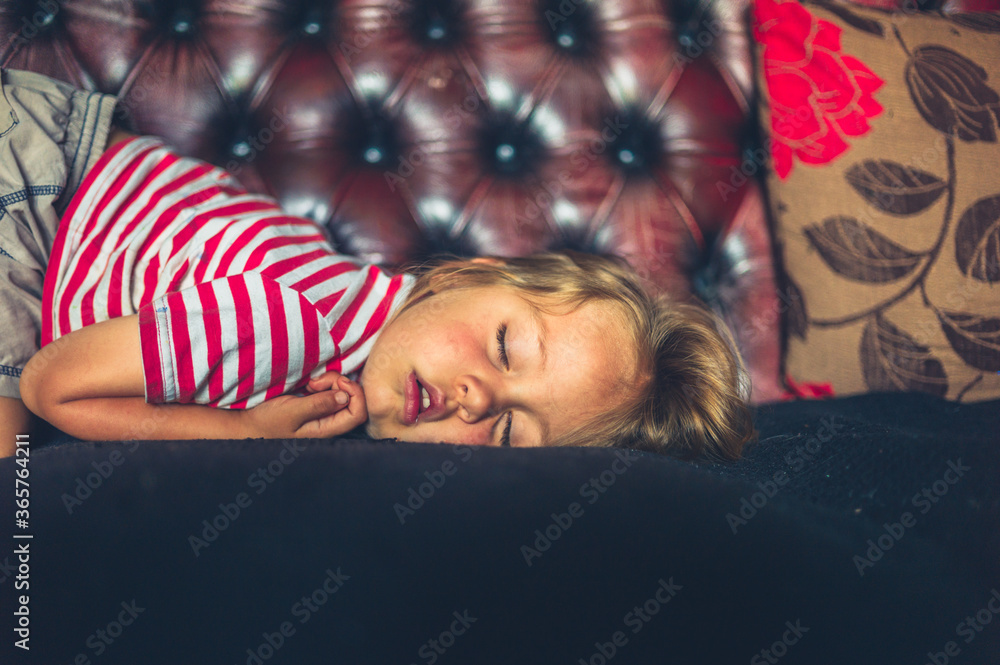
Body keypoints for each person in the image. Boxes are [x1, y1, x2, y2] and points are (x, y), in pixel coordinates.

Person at [0, 69, 755, 459]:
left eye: (507, 434)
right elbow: (49, 384)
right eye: (502, 347)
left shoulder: (357, 327)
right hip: (38, 178)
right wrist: (245, 437)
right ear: (462, 275)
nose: (474, 396)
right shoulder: (289, 324)